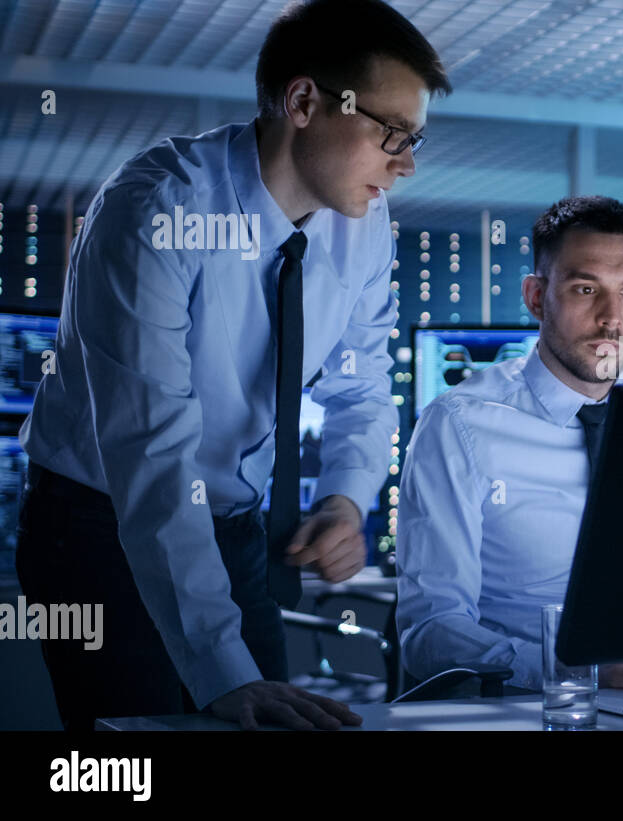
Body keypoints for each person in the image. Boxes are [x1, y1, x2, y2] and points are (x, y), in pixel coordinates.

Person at [16, 0, 449, 731]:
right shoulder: (158, 208)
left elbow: (364, 385)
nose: (405, 165)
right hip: (99, 523)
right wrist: (222, 672)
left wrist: (344, 499)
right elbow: (152, 456)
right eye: (392, 134)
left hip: (235, 526)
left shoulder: (364, 225)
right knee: (139, 753)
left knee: (270, 722)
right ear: (305, 101)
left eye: (415, 141)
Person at [397, 196, 623, 692]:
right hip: (524, 706)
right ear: (536, 297)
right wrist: (568, 670)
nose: (612, 318)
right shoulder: (460, 425)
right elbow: (429, 633)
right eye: (587, 289)